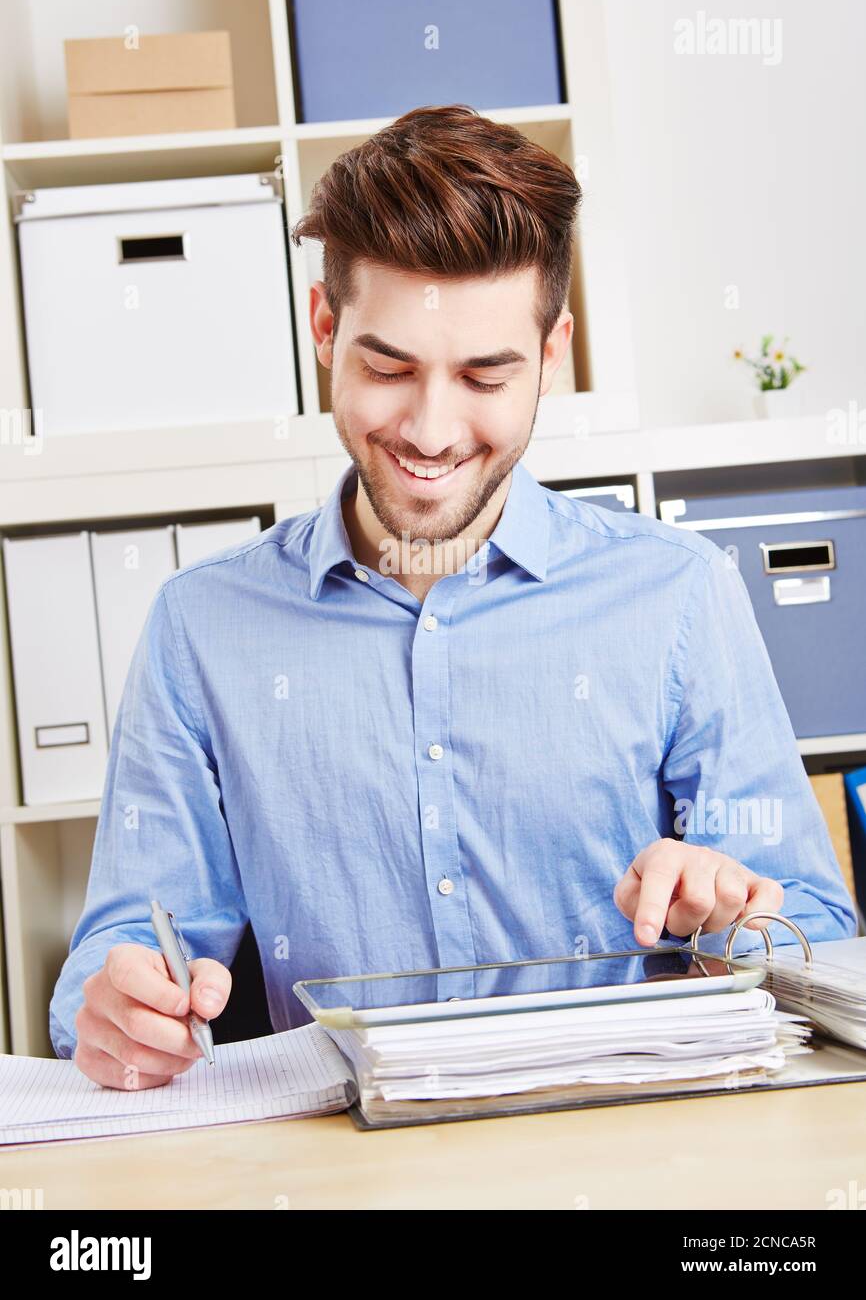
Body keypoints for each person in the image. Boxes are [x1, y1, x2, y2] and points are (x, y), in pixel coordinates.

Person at [50, 104, 856, 1087]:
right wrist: (118, 1004)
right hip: (345, 1169)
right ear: (323, 329)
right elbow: (133, 934)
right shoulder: (201, 628)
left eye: (484, 375)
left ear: (551, 352)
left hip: (629, 1152)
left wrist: (738, 909)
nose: (431, 430)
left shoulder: (678, 593)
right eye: (388, 366)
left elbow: (816, 929)